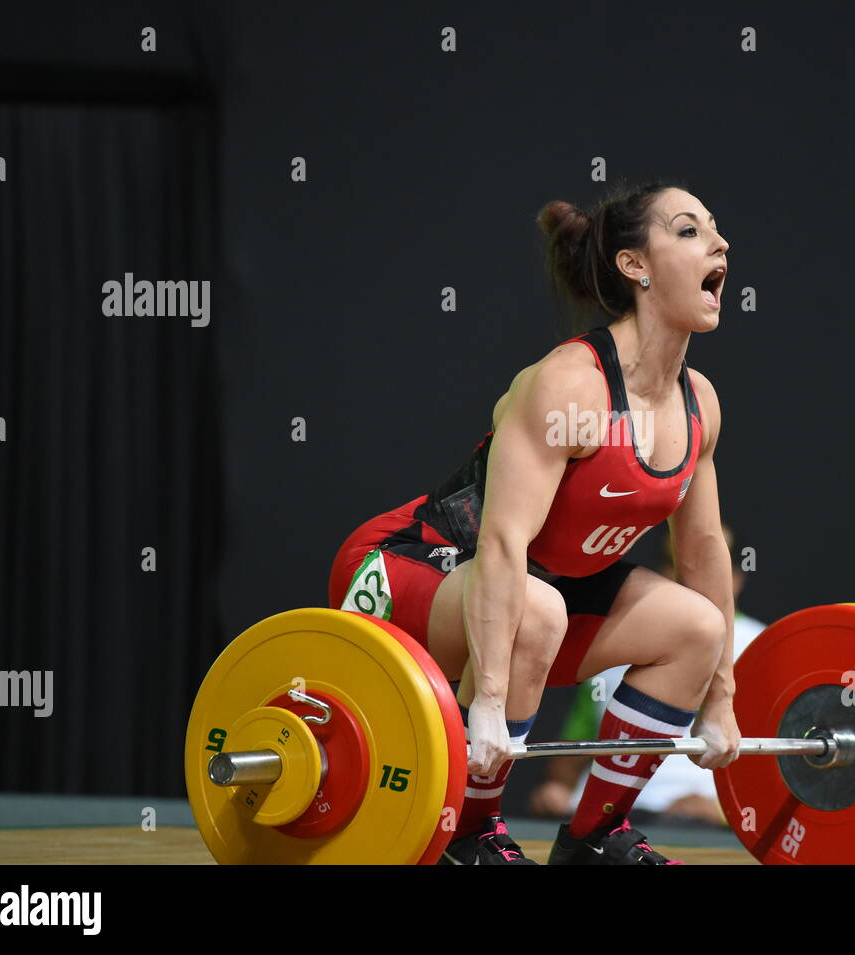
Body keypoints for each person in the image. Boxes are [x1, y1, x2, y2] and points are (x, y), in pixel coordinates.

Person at [327, 180, 741, 865]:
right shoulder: (568, 384)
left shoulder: (700, 402)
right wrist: (487, 698)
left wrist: (721, 696)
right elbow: (501, 540)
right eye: (690, 230)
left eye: (716, 228)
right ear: (635, 265)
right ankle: (470, 832)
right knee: (538, 606)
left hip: (531, 594)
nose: (720, 242)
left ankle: (594, 836)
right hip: (410, 563)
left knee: (698, 627)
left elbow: (701, 550)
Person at [529, 525, 767, 827]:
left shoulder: (764, 646)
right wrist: (559, 790)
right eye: (674, 563)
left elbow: (779, 764)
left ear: (735, 576)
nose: (686, 574)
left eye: (705, 563)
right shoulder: (622, 640)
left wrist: (724, 812)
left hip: (709, 822)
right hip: (612, 816)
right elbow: (575, 747)